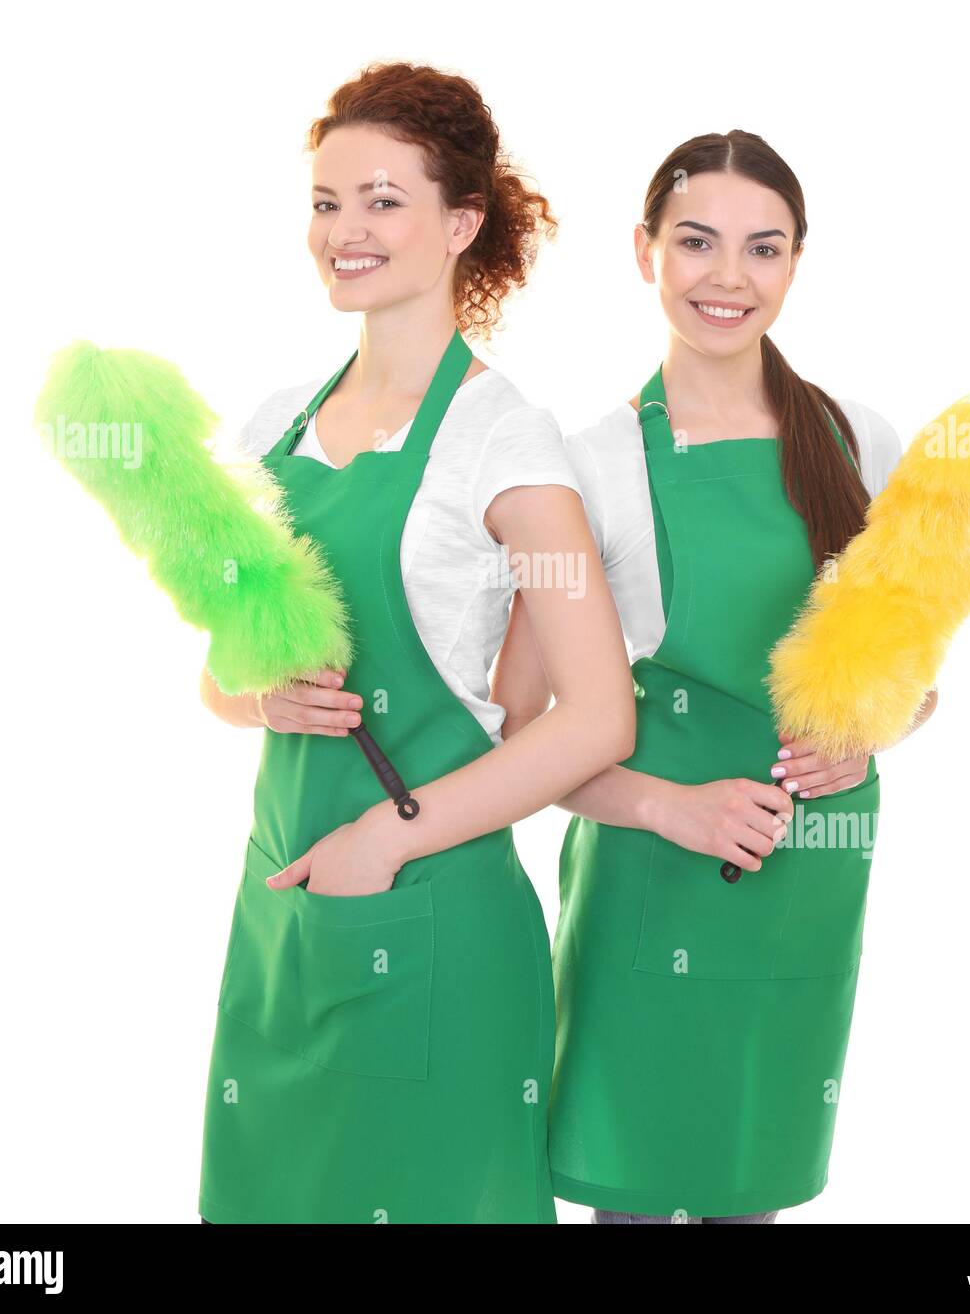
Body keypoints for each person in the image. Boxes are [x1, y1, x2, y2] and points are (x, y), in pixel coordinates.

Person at [196, 62, 634, 1224]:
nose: (344, 231)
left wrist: (384, 843)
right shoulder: (272, 426)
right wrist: (264, 695)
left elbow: (596, 715)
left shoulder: (506, 439)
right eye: (328, 201)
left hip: (428, 920)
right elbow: (216, 678)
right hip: (284, 916)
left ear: (460, 221)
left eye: (383, 200)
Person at [493, 129, 937, 1223]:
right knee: (635, 1195)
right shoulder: (587, 462)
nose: (728, 277)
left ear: (795, 262)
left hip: (804, 891)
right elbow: (514, 732)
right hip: (650, 884)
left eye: (763, 247)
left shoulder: (858, 440)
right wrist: (668, 806)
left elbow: (915, 681)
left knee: (753, 1192)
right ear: (643, 251)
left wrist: (868, 728)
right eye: (695, 242)